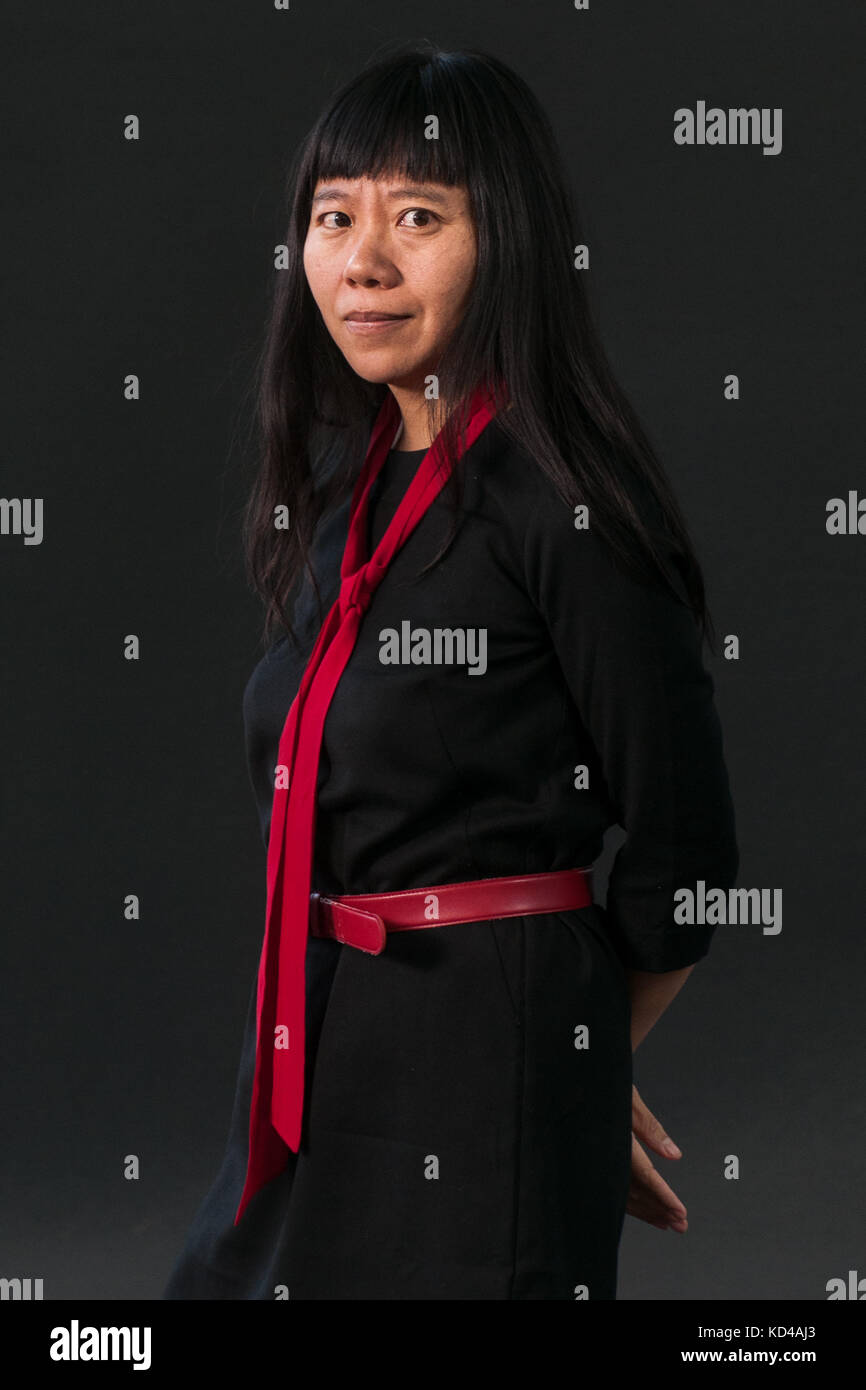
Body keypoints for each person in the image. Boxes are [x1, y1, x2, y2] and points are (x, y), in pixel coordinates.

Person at [163, 41, 738, 1301]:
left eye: (417, 216)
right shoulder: (343, 495)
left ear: (509, 242)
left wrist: (581, 1064)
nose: (362, 259)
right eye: (333, 217)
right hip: (325, 1052)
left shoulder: (565, 504)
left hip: (485, 1074)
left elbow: (686, 852)